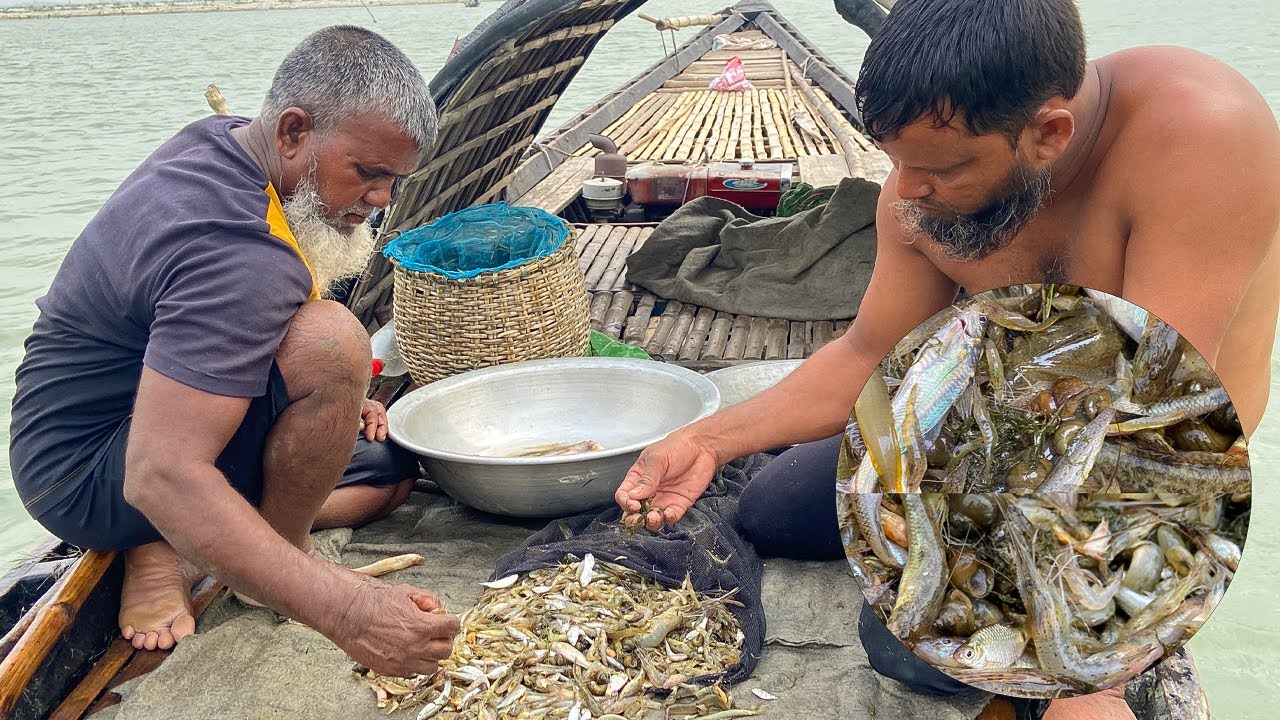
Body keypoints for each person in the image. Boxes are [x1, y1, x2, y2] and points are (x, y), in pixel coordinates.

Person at [616, 0, 1278, 717]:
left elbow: (1161, 417)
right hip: (998, 417)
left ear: (1049, 134)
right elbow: (868, 351)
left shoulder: (1202, 138)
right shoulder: (917, 190)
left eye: (944, 168)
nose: (904, 191)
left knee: (904, 649)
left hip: (1151, 454)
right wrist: (709, 440)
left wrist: (1095, 678)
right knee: (771, 511)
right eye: (896, 160)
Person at [9, 26, 459, 677]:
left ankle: (194, 543)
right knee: (334, 340)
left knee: (389, 472)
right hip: (89, 474)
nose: (383, 200)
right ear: (293, 131)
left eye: (394, 179)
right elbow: (159, 473)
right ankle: (221, 553)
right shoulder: (241, 252)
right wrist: (347, 613)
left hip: (90, 433)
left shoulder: (223, 142)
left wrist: (343, 399)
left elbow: (220, 323)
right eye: (369, 173)